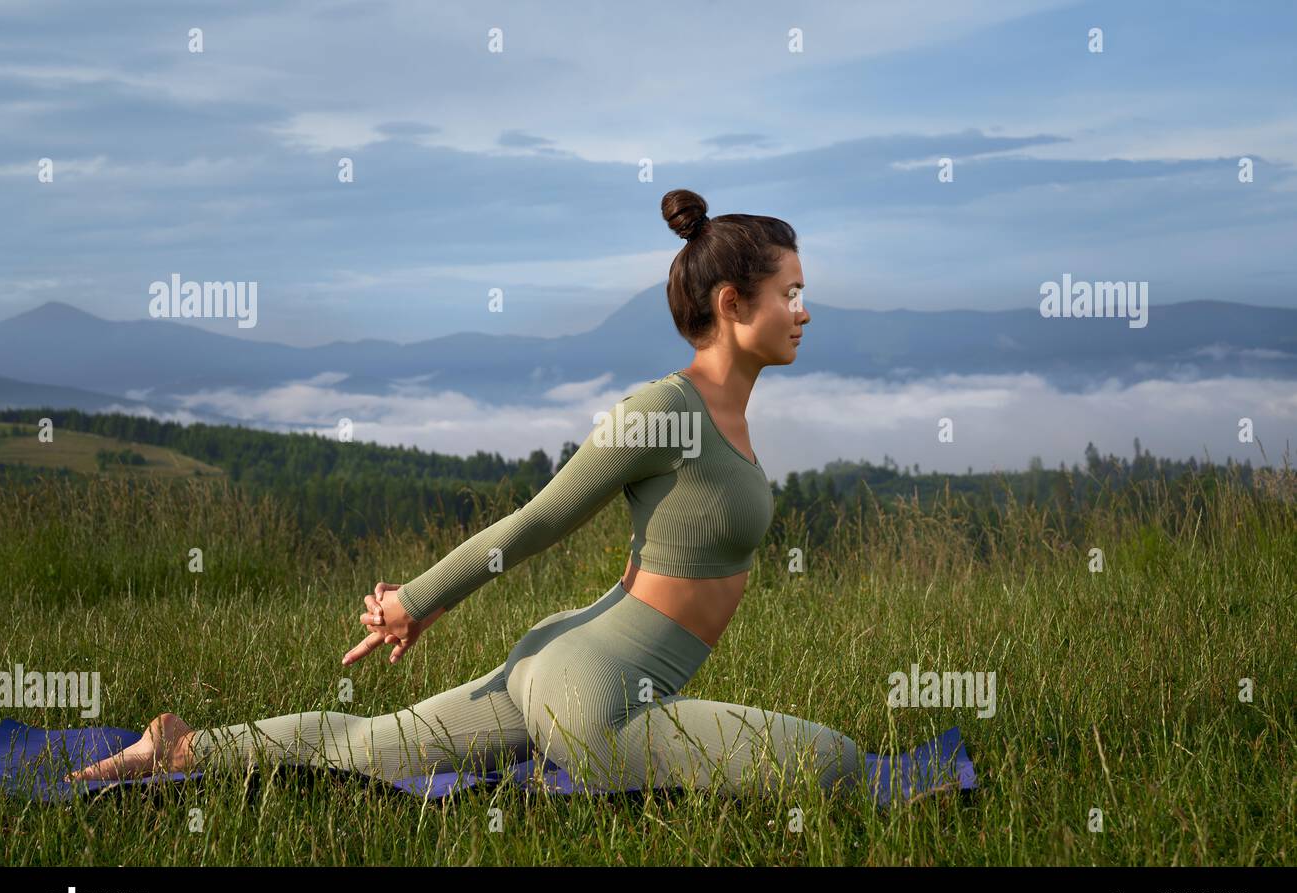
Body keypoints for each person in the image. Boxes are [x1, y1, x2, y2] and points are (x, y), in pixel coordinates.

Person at [69, 188, 862, 797]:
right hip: (596, 695)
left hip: (569, 659)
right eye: (790, 292)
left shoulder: (727, 412)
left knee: (369, 745)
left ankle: (180, 746)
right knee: (836, 763)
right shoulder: (660, 411)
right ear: (731, 304)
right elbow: (541, 517)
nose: (805, 311)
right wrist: (419, 597)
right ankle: (572, 759)